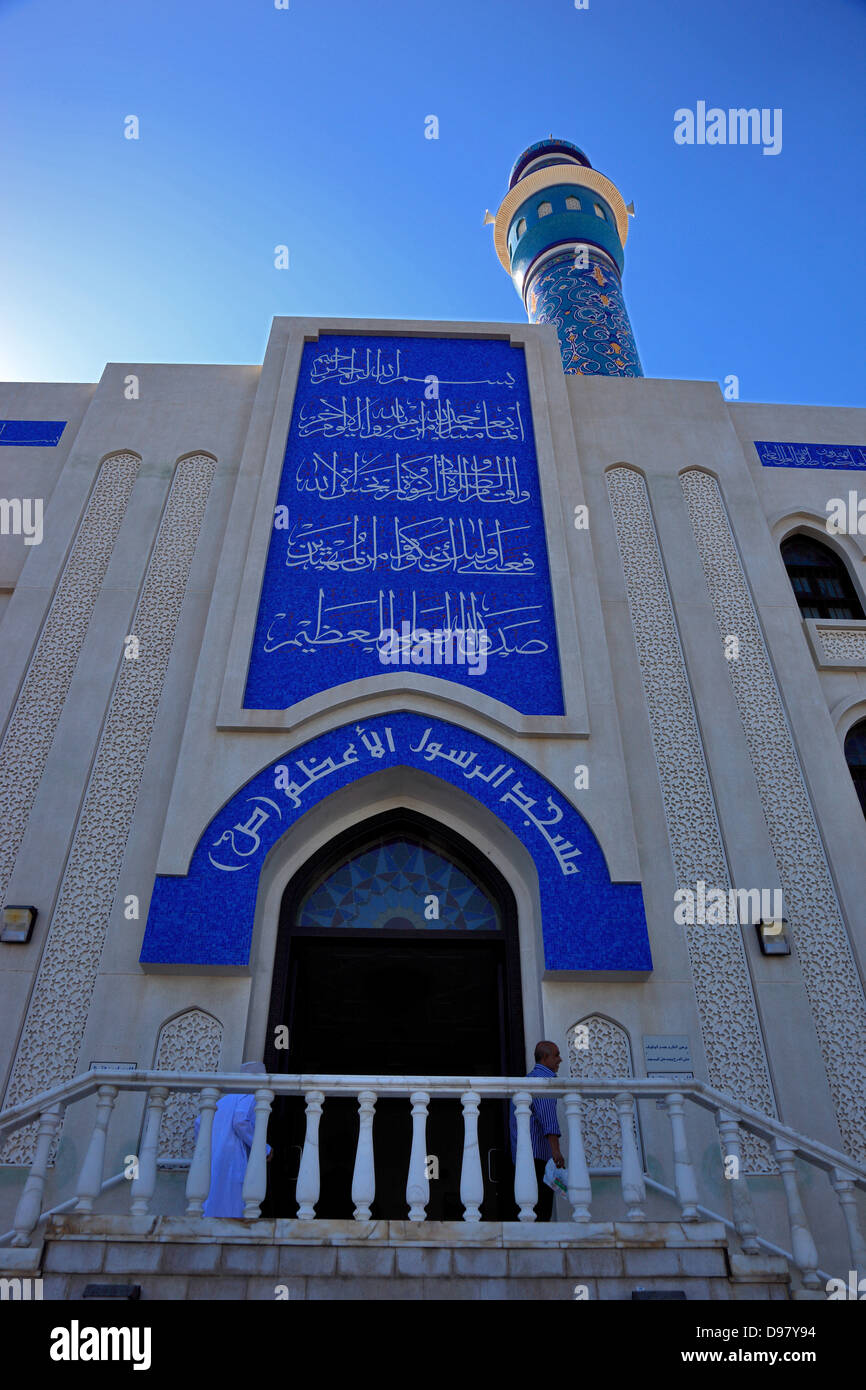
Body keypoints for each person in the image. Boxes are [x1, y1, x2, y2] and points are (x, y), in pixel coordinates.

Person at [193, 1061, 271, 1217]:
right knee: (231, 1204)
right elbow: (240, 1120)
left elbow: (199, 1122)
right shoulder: (250, 1095)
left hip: (212, 1157)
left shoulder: (224, 1100)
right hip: (232, 1157)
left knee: (211, 1199)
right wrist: (264, 1149)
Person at [509, 1041, 566, 1221]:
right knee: (541, 1212)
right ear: (545, 1057)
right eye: (556, 1055)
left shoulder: (528, 1081)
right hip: (538, 1159)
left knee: (528, 1209)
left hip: (522, 1158)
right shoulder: (542, 1082)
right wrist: (556, 1152)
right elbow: (548, 1120)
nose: (560, 1059)